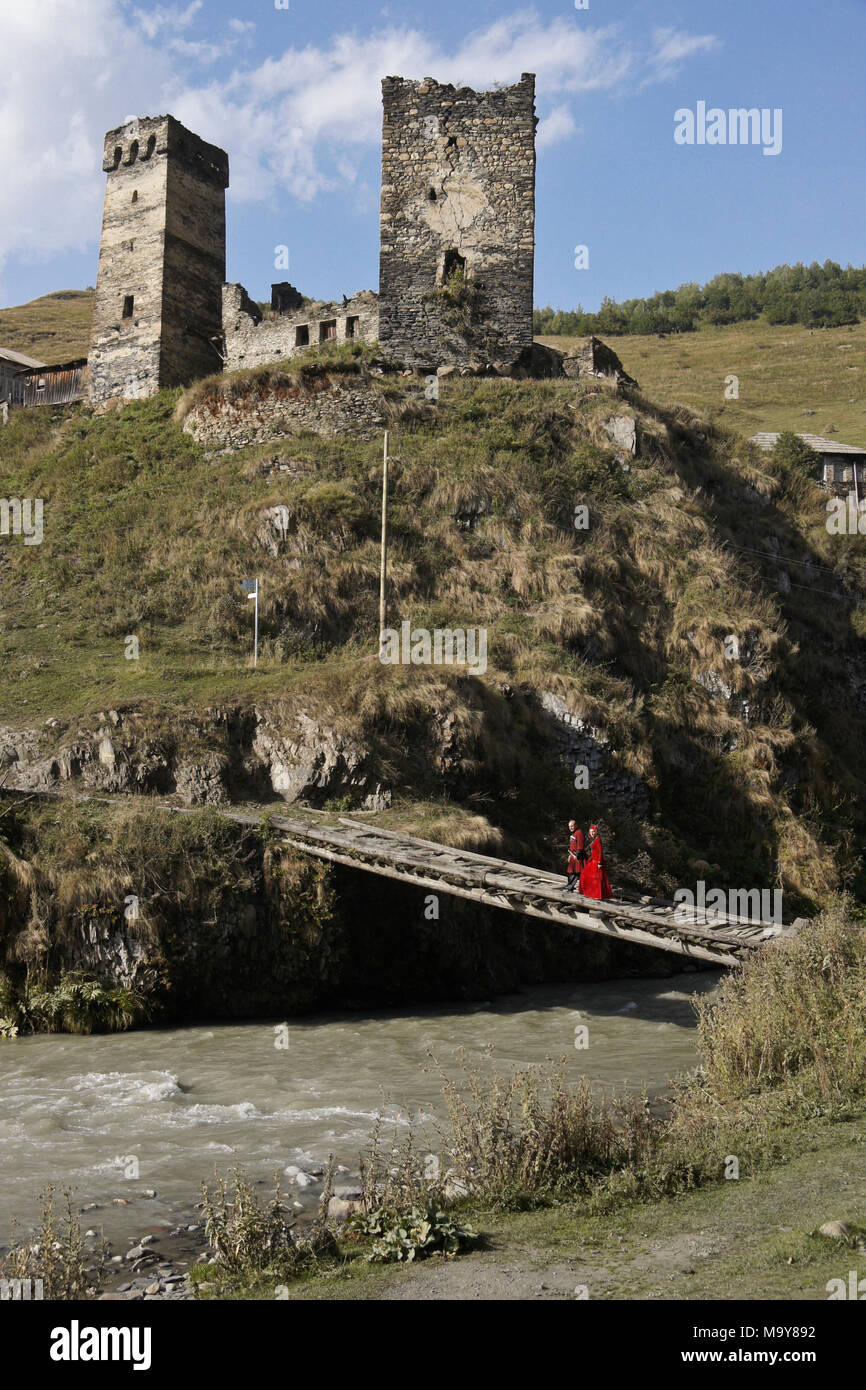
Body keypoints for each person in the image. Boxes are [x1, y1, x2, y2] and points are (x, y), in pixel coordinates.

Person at [579, 824, 612, 900]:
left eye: (593, 831)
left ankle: (597, 895)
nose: (592, 833)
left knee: (596, 879)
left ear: (596, 831)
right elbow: (594, 852)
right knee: (585, 874)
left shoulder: (598, 839)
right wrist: (590, 859)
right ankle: (589, 892)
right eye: (591, 832)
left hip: (597, 862)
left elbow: (600, 852)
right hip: (593, 860)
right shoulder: (594, 839)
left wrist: (599, 863)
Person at [565, 820, 585, 891]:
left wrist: (576, 854)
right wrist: (570, 855)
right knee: (571, 872)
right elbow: (572, 847)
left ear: (576, 825)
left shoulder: (579, 833)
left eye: (572, 826)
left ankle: (570, 887)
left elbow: (580, 846)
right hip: (572, 856)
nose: (571, 828)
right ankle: (570, 887)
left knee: (576, 873)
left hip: (578, 857)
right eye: (569, 826)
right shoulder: (573, 834)